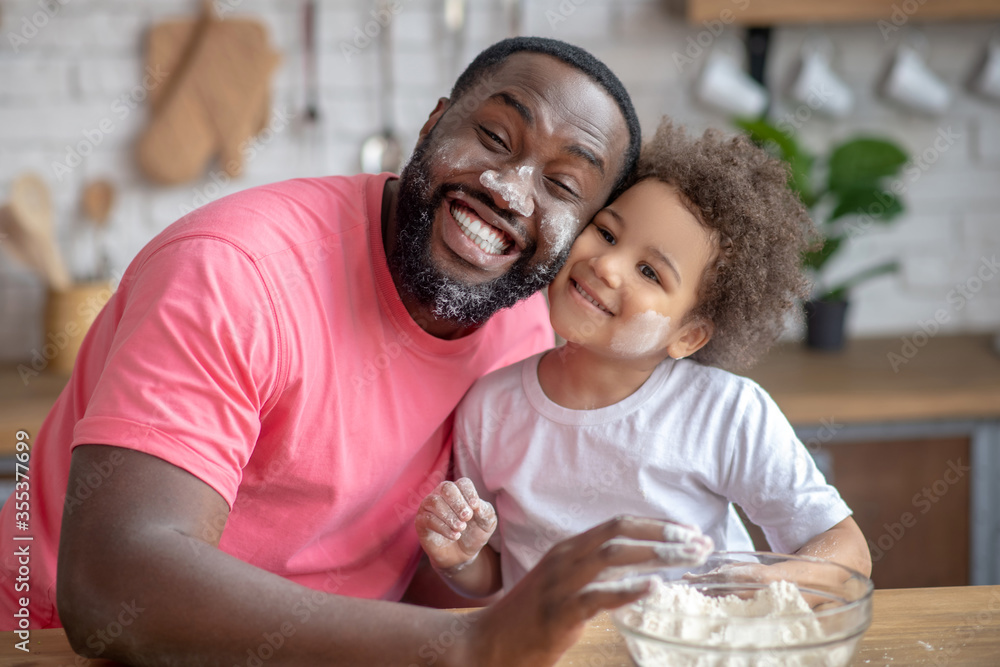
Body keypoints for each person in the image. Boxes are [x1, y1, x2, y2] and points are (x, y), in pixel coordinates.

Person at [0, 38, 699, 666]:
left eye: (564, 185)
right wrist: (470, 644)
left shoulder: (523, 328)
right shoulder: (233, 272)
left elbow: (426, 567)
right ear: (434, 123)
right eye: (493, 136)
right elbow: (113, 584)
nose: (508, 188)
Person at [415, 119, 873, 601]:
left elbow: (847, 553)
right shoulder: (489, 409)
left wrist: (759, 584)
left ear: (689, 335)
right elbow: (495, 575)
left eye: (650, 272)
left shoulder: (725, 413)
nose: (606, 266)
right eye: (608, 234)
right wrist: (459, 557)